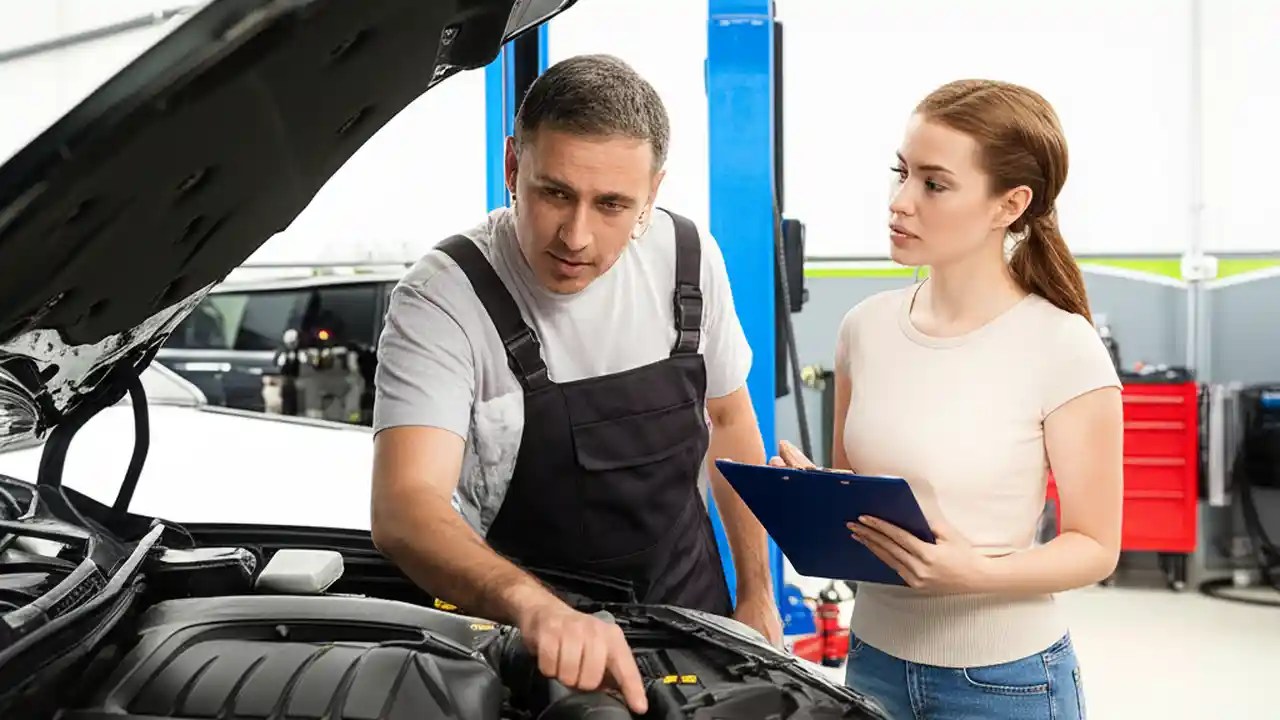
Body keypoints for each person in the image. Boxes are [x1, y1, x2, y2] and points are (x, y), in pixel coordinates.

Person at [369, 54, 781, 716]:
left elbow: (730, 421)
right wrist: (538, 610)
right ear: (512, 167)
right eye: (554, 192)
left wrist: (757, 592)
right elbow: (404, 507)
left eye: (613, 204)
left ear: (652, 194)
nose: (576, 236)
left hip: (689, 625)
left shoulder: (688, 257)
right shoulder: (445, 295)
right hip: (529, 654)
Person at [772, 79, 1123, 719]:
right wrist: (813, 499)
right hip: (871, 661)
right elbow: (866, 500)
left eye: (934, 184)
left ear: (1008, 204)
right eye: (900, 173)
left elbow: (1096, 546)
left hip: (1006, 683)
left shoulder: (1062, 346)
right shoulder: (865, 329)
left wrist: (974, 574)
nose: (901, 201)